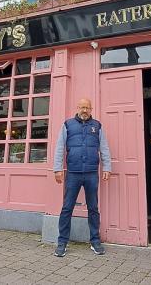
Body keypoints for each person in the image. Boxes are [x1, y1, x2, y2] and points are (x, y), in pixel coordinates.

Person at [53, 98, 111, 257]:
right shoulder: (67, 125)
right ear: (77, 108)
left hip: (92, 173)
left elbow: (104, 148)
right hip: (73, 173)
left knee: (93, 208)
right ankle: (62, 242)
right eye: (82, 107)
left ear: (91, 109)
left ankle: (95, 241)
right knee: (67, 208)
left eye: (87, 107)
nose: (84, 110)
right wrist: (57, 169)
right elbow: (59, 147)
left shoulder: (97, 126)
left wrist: (107, 167)